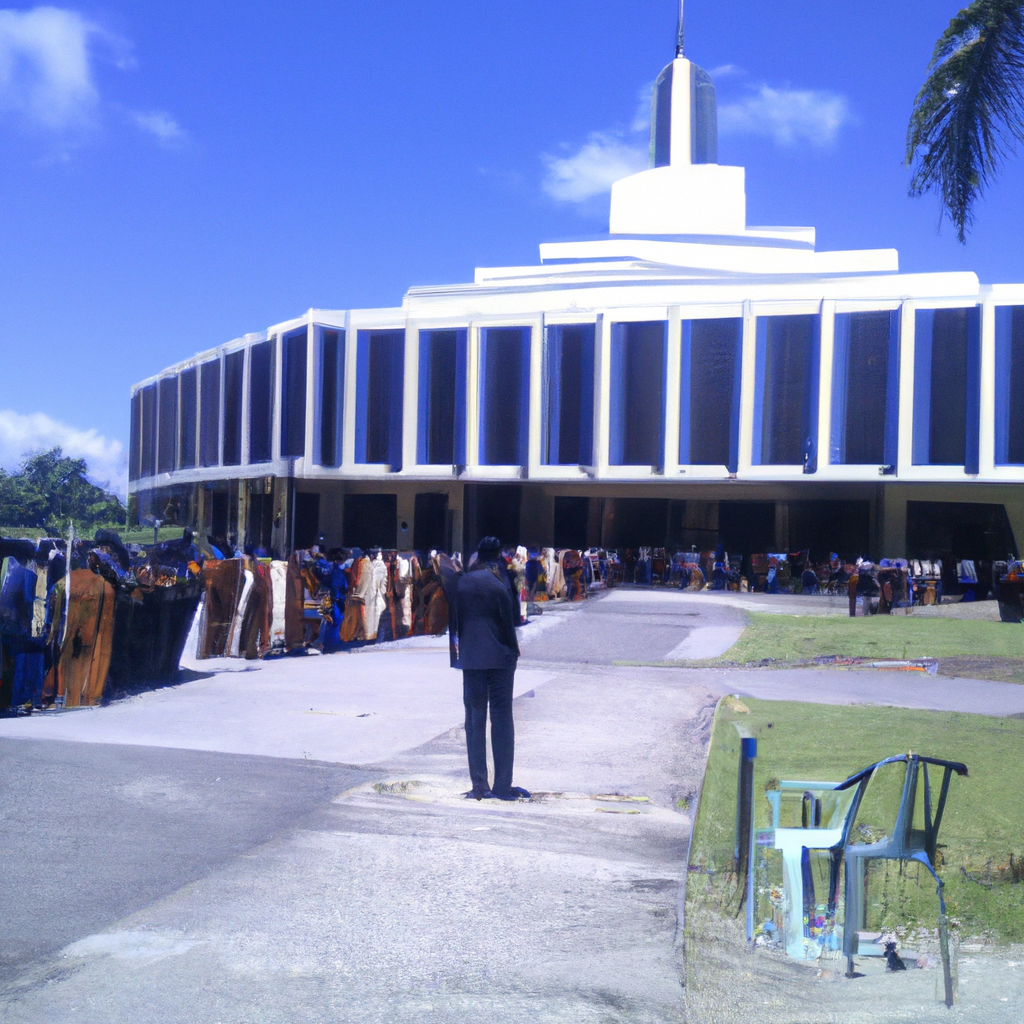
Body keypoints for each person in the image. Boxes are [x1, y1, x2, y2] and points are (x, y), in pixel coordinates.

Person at [455, 536, 530, 802]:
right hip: (500, 659)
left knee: (474, 721)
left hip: (472, 659)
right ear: (497, 555)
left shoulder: (461, 583)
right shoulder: (500, 584)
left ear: (477, 555)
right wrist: (513, 653)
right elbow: (511, 624)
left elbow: (455, 626)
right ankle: (501, 785)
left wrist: (458, 657)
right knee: (501, 718)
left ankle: (479, 785)